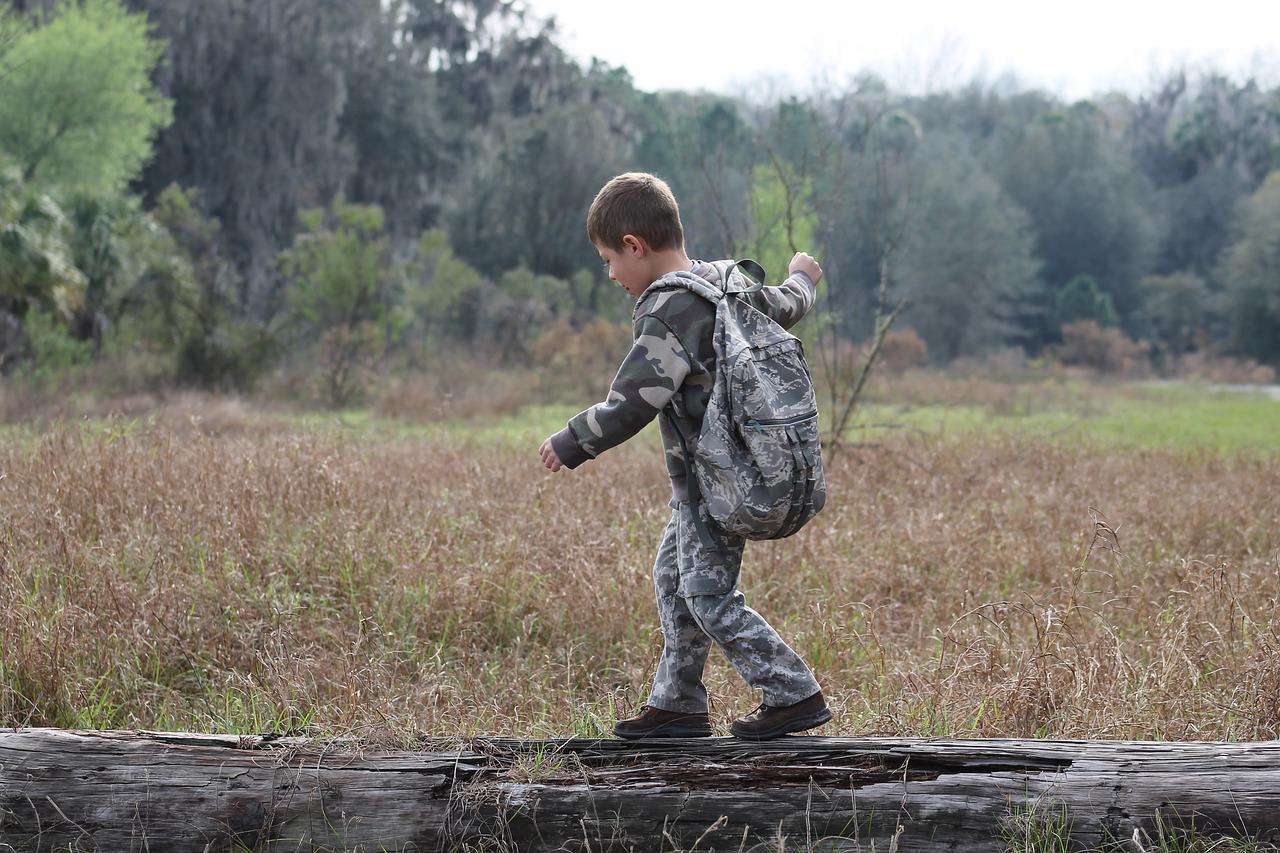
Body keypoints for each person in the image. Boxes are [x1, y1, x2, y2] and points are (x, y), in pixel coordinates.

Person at [538, 172, 830, 740]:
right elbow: (787, 305)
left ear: (634, 246)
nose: (612, 275)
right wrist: (804, 276)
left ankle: (793, 692)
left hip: (714, 481)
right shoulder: (725, 284)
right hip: (735, 472)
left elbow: (631, 403)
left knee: (707, 594)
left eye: (608, 260)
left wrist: (573, 441)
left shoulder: (669, 310)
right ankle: (678, 703)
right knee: (674, 579)